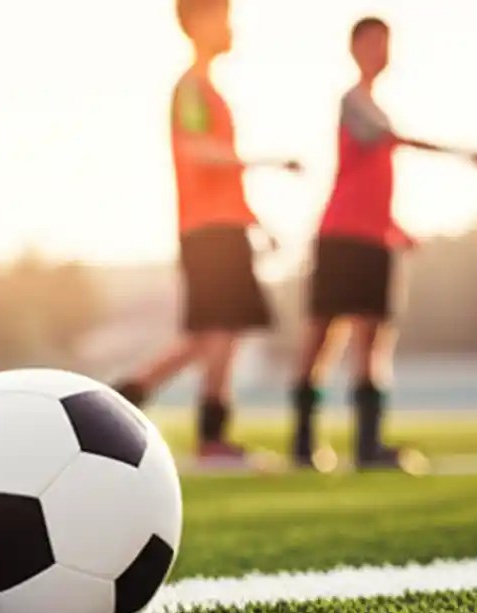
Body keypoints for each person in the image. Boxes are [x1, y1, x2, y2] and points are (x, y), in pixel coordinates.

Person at [290, 17, 477, 473]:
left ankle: (369, 445)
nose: (379, 52)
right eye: (371, 43)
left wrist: (395, 228)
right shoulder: (353, 102)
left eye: (385, 44)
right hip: (339, 236)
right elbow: (388, 143)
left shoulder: (378, 106)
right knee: (321, 336)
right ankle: (302, 442)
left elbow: (375, 183)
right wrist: (464, 153)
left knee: (373, 337)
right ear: (354, 49)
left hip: (374, 239)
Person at [115, 0, 300, 469]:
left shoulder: (208, 89)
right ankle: (211, 438)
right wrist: (268, 162)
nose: (232, 27)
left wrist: (258, 223)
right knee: (220, 333)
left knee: (209, 336)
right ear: (198, 23)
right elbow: (199, 153)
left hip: (223, 229)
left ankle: (125, 397)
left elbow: (225, 177)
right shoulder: (192, 89)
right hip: (208, 232)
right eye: (224, 17)